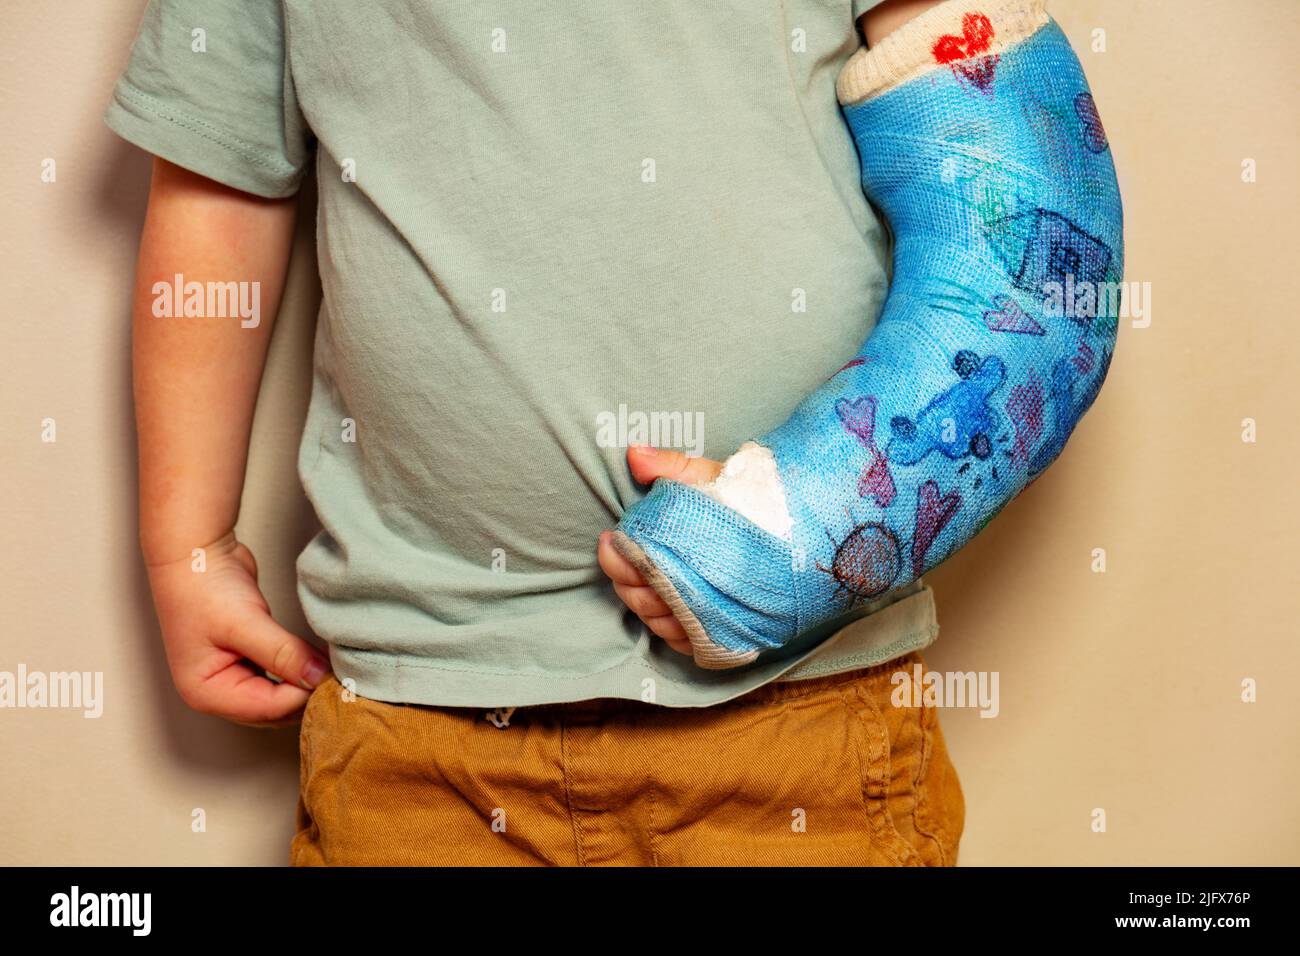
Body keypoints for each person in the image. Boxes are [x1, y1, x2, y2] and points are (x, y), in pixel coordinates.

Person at [108, 0, 1118, 865]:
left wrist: (805, 527)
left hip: (797, 706)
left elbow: (1025, 223)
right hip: (417, 715)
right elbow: (217, 180)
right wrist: (185, 546)